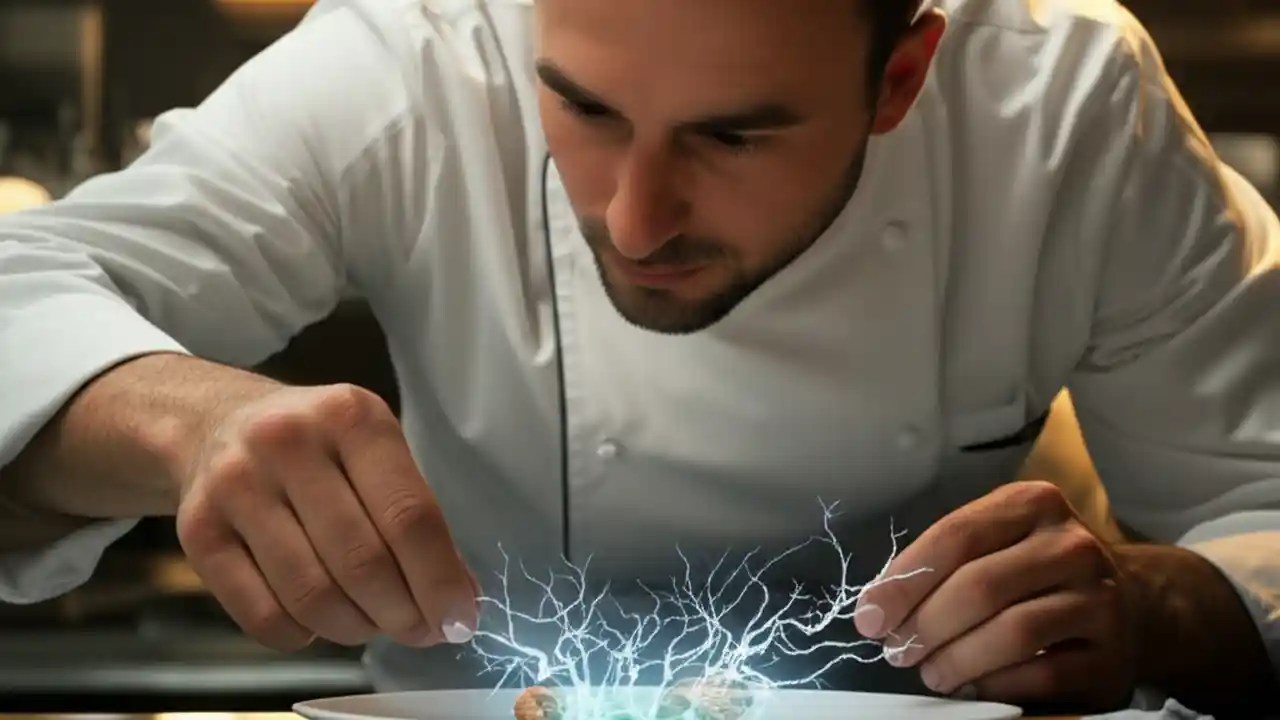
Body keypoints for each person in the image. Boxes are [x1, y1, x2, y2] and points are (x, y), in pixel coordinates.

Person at [0, 0, 1277, 714]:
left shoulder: (1062, 105)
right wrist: (183, 420)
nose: (633, 218)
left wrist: (1148, 601)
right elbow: (25, 283)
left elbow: (1260, 507)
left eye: (731, 137)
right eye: (585, 111)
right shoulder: (415, 58)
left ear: (900, 78)